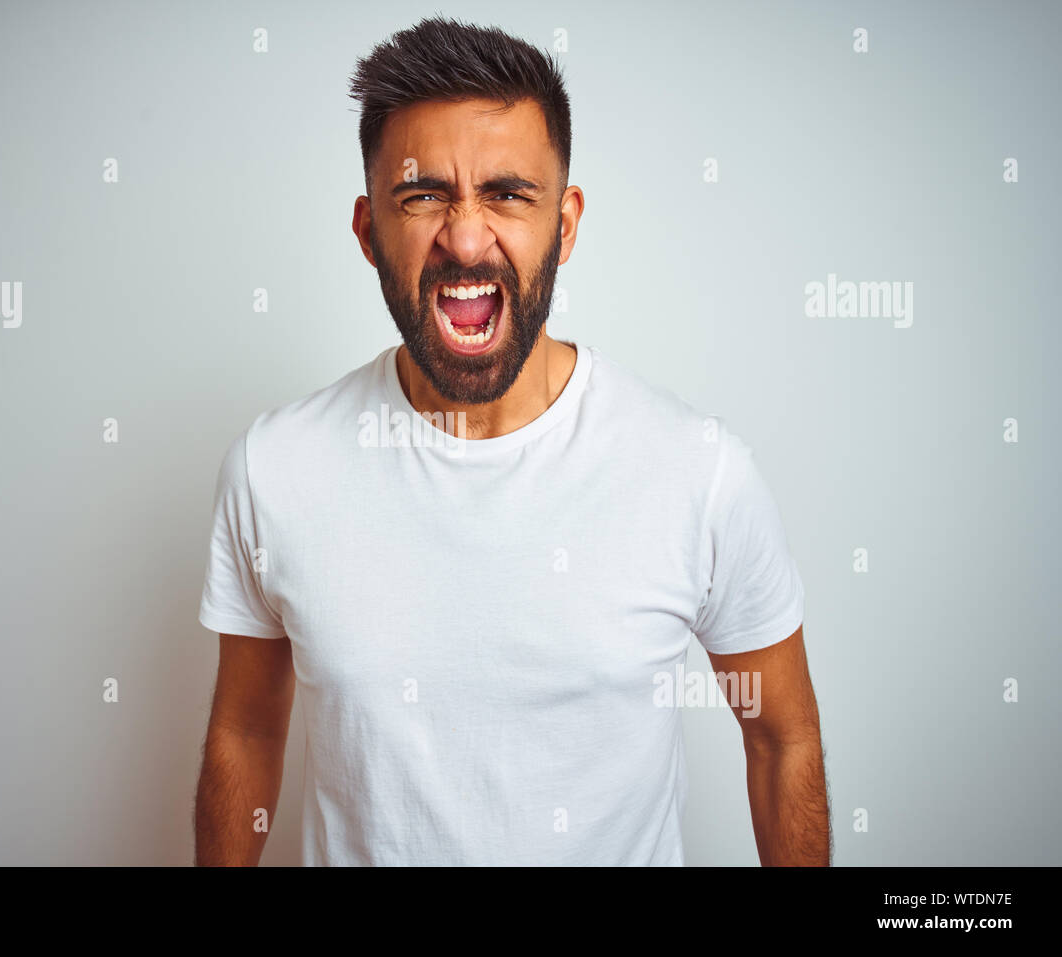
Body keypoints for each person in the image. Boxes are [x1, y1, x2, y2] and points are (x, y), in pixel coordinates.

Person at [194, 15, 828, 866]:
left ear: (564, 225)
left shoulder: (697, 473)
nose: (464, 236)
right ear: (368, 229)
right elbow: (243, 730)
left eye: (507, 193)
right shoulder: (276, 470)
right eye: (423, 195)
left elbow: (783, 739)